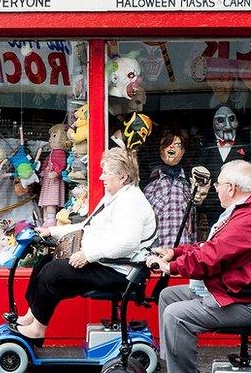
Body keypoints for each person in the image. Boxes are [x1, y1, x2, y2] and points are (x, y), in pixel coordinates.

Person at [146, 160, 251, 373]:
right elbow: (212, 246)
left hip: (247, 301)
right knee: (168, 296)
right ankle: (175, 372)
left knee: (176, 314)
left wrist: (170, 267)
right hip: (234, 291)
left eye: (218, 184)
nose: (216, 188)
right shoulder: (245, 210)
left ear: (231, 187)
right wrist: (176, 252)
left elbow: (211, 257)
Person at [10, 148, 157, 346]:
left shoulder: (130, 202)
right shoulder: (115, 197)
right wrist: (52, 231)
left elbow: (127, 243)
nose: (101, 176)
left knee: (53, 272)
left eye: (106, 172)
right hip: (107, 263)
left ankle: (37, 330)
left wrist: (88, 255)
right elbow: (87, 225)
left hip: (120, 271)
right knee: (45, 262)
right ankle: (31, 316)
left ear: (122, 176)